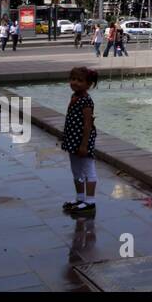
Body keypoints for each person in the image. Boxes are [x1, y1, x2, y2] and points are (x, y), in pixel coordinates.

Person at [61, 66, 99, 217]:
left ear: (88, 84)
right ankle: (80, 198)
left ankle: (90, 202)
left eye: (80, 80)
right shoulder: (75, 96)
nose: (75, 83)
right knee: (76, 170)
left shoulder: (86, 101)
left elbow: (88, 124)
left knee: (88, 170)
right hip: (73, 139)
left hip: (83, 141)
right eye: (73, 79)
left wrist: (84, 144)